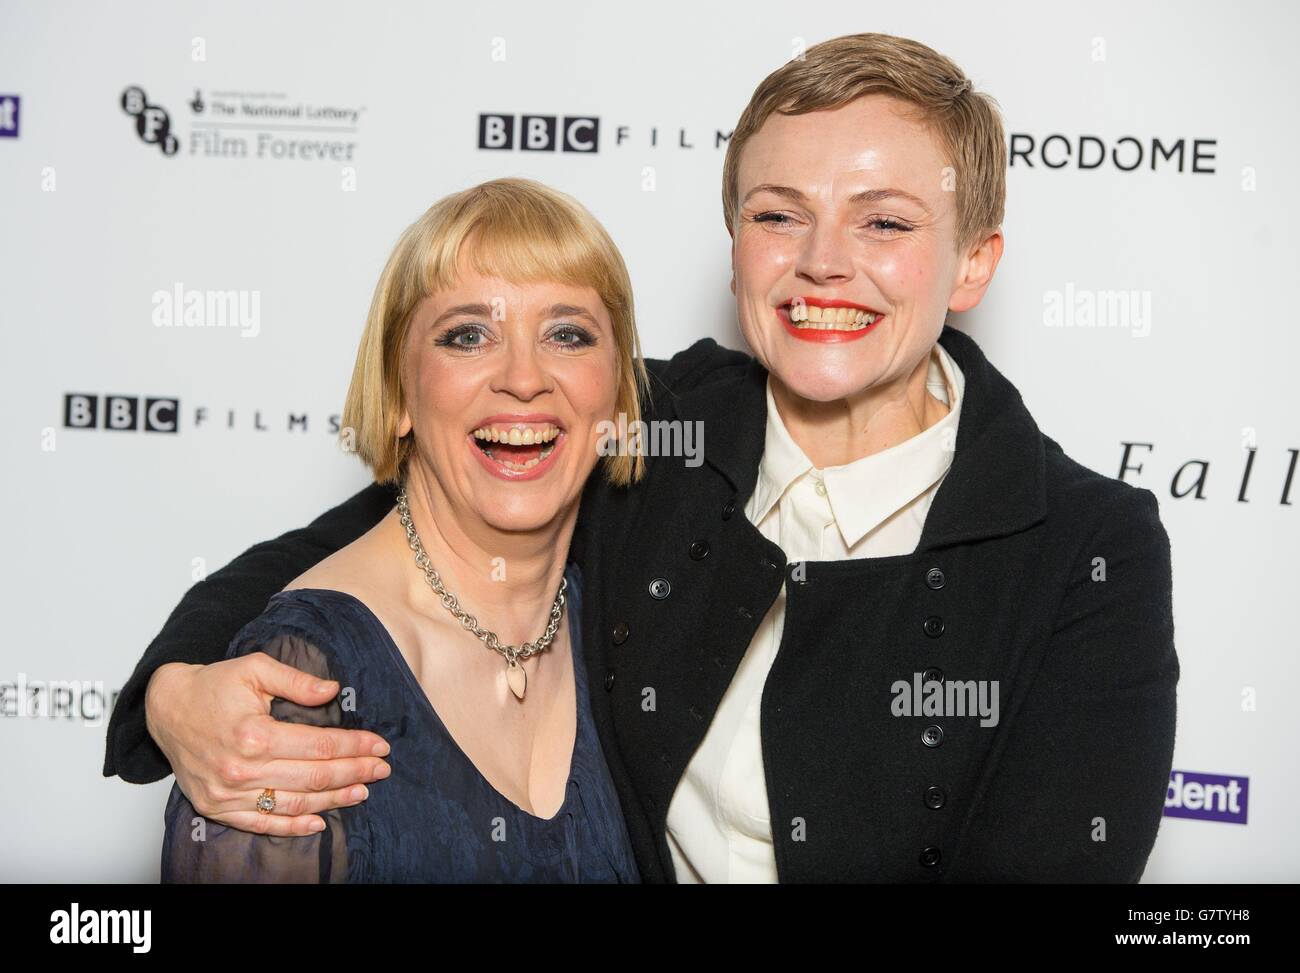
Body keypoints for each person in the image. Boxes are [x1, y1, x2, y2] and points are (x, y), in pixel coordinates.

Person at [111, 33, 1177, 883]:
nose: (820, 262)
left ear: (971, 266)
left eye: (883, 221)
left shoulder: (1083, 550)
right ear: (734, 244)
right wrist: (176, 691)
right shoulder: (655, 424)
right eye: (777, 214)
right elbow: (365, 538)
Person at [159, 177, 645, 882]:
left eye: (567, 333)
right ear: (397, 394)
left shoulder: (619, 626)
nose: (523, 377)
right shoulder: (310, 680)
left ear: (619, 395)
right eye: (468, 335)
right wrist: (168, 687)